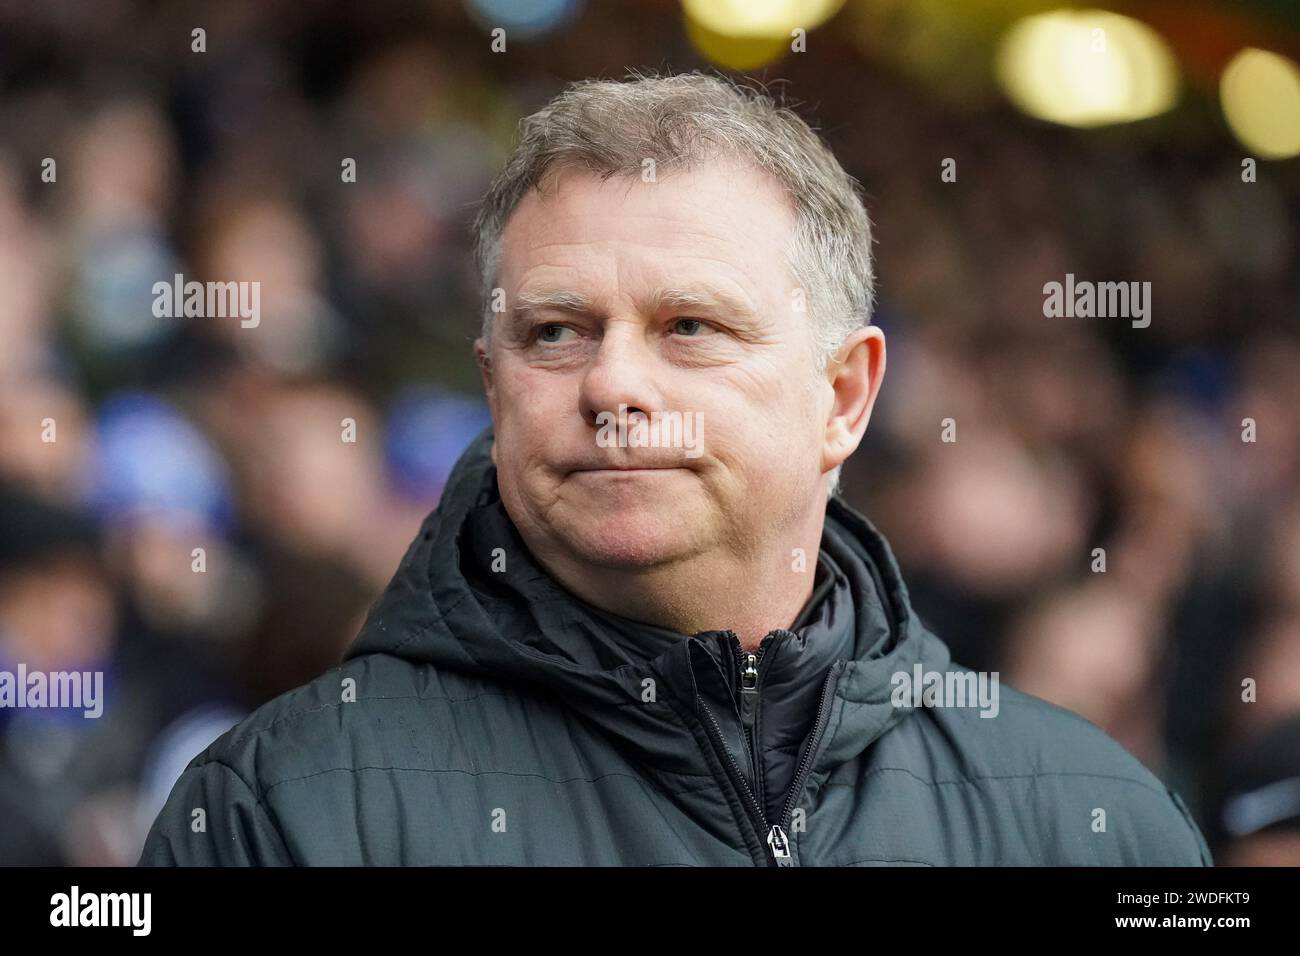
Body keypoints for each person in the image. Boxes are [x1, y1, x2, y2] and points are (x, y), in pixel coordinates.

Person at [138, 70, 1211, 866]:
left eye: (689, 326)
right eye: (555, 331)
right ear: (491, 379)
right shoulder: (280, 811)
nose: (613, 386)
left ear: (842, 396)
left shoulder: (1094, 819)